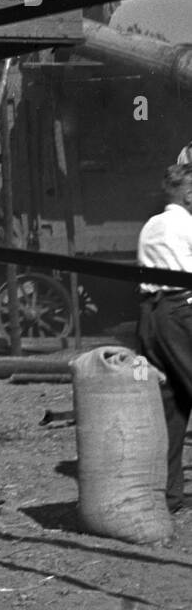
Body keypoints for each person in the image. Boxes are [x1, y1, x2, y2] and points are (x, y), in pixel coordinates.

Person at [136, 163, 192, 513]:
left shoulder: (151, 225)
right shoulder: (188, 225)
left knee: (172, 407)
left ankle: (170, 495)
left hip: (150, 318)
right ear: (189, 194)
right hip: (181, 312)